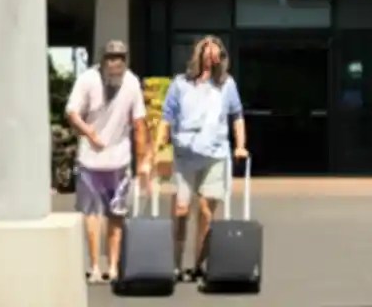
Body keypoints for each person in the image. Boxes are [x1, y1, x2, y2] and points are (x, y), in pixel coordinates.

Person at [155, 35, 248, 282]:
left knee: (206, 211)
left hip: (215, 153)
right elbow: (167, 117)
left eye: (216, 53)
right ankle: (176, 264)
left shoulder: (227, 84)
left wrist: (240, 146)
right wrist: (159, 144)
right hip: (185, 154)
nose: (212, 57)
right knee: (181, 210)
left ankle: (198, 265)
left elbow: (237, 116)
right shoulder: (180, 84)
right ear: (199, 55)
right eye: (208, 52)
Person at [66, 39, 151, 283]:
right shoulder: (87, 79)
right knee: (92, 214)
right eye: (111, 58)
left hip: (119, 161)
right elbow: (72, 112)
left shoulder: (132, 82)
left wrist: (143, 161)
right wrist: (89, 132)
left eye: (121, 58)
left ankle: (113, 266)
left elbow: (139, 123)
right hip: (90, 161)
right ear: (102, 61)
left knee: (117, 214)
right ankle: (95, 266)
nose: (116, 63)